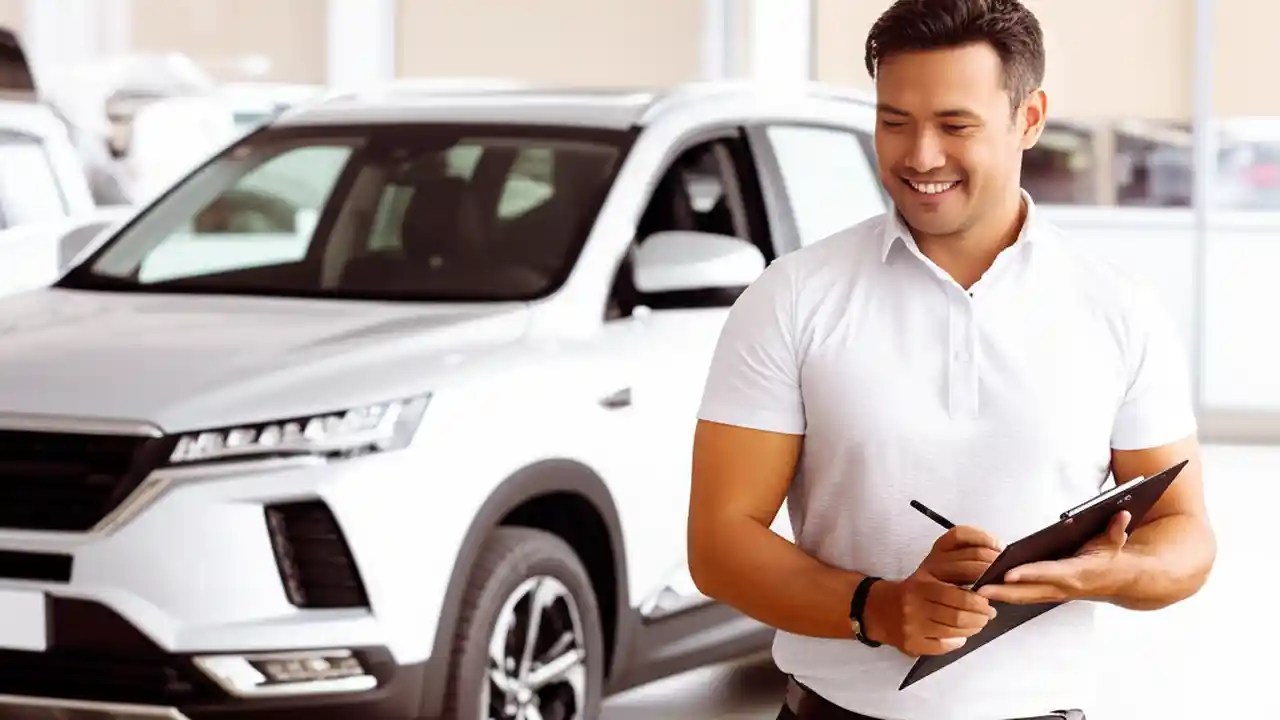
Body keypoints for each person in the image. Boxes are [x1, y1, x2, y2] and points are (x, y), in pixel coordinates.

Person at [686, 1, 1217, 718]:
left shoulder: (1118, 308)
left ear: (1029, 119)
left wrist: (1109, 571)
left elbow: (1185, 537)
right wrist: (877, 608)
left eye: (955, 125)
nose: (920, 156)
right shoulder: (792, 296)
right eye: (894, 122)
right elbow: (719, 543)